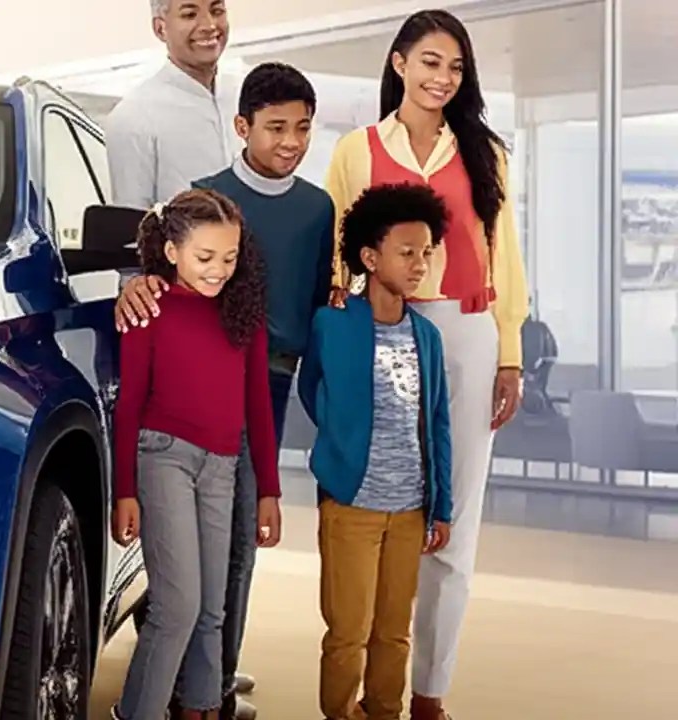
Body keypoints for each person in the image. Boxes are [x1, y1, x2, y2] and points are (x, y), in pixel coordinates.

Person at [321, 9, 529, 719]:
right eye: (431, 62)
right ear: (400, 63)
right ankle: (364, 686)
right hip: (382, 331)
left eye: (456, 67)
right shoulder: (355, 150)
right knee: (378, 498)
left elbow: (505, 254)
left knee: (454, 515)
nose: (443, 78)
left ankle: (429, 692)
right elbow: (338, 259)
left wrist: (509, 354)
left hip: (467, 333)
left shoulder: (485, 153)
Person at [114, 61, 330, 718]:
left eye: (302, 128)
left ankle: (209, 695)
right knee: (187, 591)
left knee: (228, 571)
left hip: (255, 403)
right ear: (243, 127)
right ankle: (163, 695)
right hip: (174, 429)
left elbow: (315, 306)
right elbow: (134, 398)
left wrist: (273, 485)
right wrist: (133, 284)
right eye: (275, 127)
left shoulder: (315, 212)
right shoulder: (201, 208)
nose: (290, 140)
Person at [110, 189, 281, 720]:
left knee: (211, 607)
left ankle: (201, 708)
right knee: (177, 606)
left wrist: (269, 490)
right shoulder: (149, 309)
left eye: (229, 258)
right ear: (172, 252)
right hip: (164, 460)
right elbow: (129, 404)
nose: (218, 270)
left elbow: (258, 404)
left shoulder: (243, 314)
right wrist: (124, 491)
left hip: (222, 467)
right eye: (205, 257)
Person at [297, 182, 454, 720]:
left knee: (394, 631)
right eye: (406, 252)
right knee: (348, 631)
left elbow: (438, 423)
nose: (419, 264)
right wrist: (343, 445)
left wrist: (441, 506)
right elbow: (311, 389)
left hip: (410, 509)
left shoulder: (428, 337)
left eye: (426, 252)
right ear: (370, 257)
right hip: (351, 505)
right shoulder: (332, 322)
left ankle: (385, 711)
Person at [104, 0, 239, 209]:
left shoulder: (247, 93)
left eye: (217, 11)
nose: (209, 25)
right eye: (190, 15)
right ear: (160, 28)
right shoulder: (134, 116)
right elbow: (134, 219)